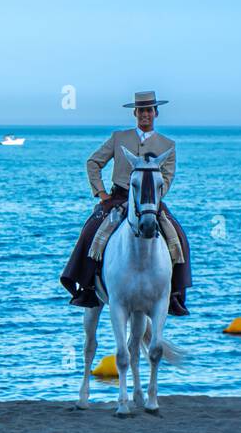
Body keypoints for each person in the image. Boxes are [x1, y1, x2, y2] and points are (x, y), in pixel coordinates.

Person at [60, 89, 192, 315]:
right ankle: (86, 288)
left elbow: (167, 177)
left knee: (178, 237)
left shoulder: (167, 145)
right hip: (117, 198)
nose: (145, 115)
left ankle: (174, 294)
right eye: (141, 111)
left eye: (149, 111)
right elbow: (93, 163)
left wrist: (155, 197)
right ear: (135, 114)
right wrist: (101, 193)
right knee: (91, 231)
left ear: (156, 113)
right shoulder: (118, 138)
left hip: (151, 203)